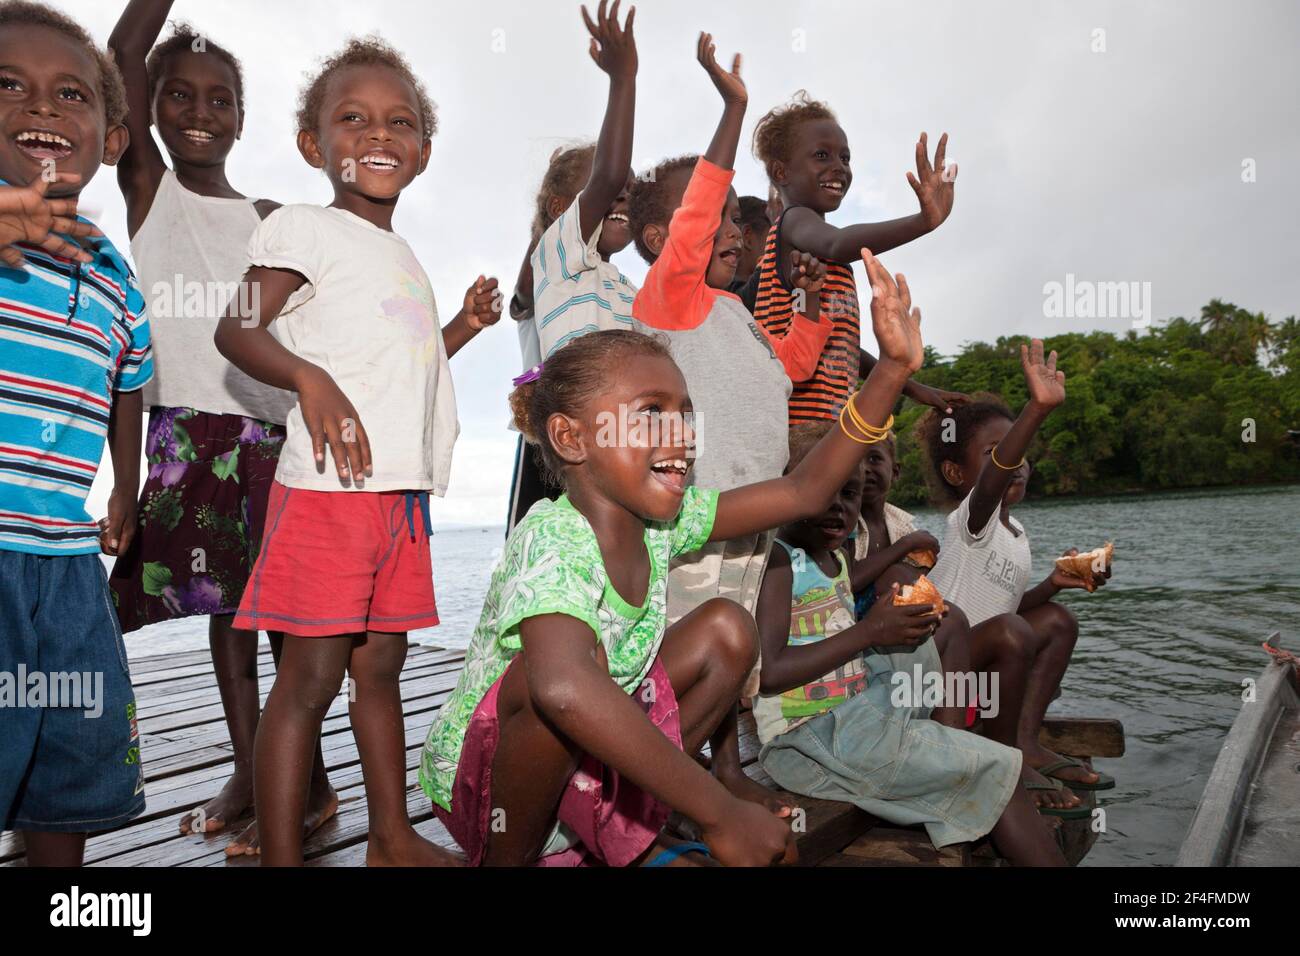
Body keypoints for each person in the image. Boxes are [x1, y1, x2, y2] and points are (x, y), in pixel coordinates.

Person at [419, 248, 931, 866]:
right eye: (652, 414)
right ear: (571, 438)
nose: (681, 435)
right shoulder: (552, 539)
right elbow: (559, 687)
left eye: (685, 415)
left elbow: (803, 490)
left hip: (588, 762)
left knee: (727, 628)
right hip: (496, 793)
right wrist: (721, 813)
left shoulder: (666, 521)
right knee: (552, 673)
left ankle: (625, 816)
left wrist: (892, 373)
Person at [213, 37, 498, 866]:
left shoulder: (405, 256)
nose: (379, 134)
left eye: (399, 122)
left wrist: (463, 332)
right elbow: (236, 327)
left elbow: (396, 373)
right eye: (353, 119)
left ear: (423, 150)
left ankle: (390, 835)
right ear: (314, 145)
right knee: (307, 682)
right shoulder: (304, 227)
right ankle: (280, 854)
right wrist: (307, 378)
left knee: (382, 671)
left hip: (400, 504)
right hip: (329, 497)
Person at [104, 0, 341, 848]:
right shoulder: (147, 190)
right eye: (178, 96)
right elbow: (125, 45)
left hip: (272, 441)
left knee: (281, 625)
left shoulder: (271, 217)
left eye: (219, 100)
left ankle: (301, 786)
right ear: (149, 111)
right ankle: (257, 774)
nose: (199, 113)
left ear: (242, 119)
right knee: (228, 623)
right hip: (187, 438)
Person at [626, 32, 829, 813]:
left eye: (737, 228)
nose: (735, 232)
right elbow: (703, 203)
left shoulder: (735, 314)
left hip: (754, 520)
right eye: (715, 224)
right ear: (664, 241)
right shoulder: (669, 301)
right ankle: (648, 792)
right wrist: (733, 109)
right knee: (690, 651)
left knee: (735, 654)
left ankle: (726, 768)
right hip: (697, 521)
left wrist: (808, 308)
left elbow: (791, 368)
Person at [752, 424, 1066, 865]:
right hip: (810, 739)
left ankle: (948, 738)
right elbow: (770, 673)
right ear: (791, 486)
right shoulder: (779, 562)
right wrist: (869, 632)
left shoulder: (833, 555)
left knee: (943, 623)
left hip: (855, 709)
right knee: (1000, 772)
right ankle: (958, 755)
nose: (840, 508)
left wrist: (886, 626)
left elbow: (852, 596)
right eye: (827, 491)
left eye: (851, 495)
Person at [0, 0, 148, 866]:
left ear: (112, 139)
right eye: (10, 86)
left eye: (70, 95)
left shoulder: (113, 272)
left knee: (73, 756)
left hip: (65, 561)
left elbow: (131, 373)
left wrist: (124, 486)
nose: (43, 107)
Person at [922, 358, 1116, 809]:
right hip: (938, 675)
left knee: (1057, 620)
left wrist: (1053, 583)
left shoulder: (1017, 534)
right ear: (957, 474)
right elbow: (991, 484)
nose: (1018, 463)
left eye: (1021, 453)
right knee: (1015, 632)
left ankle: (1024, 740)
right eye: (1000, 452)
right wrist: (1037, 409)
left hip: (985, 669)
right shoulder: (973, 519)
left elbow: (1004, 611)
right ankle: (1007, 758)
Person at [750, 91, 968, 421]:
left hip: (824, 427)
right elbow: (837, 243)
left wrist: (909, 385)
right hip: (791, 428)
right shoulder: (794, 223)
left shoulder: (826, 251)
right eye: (822, 156)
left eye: (845, 158)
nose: (838, 167)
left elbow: (842, 346)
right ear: (781, 173)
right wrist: (922, 221)